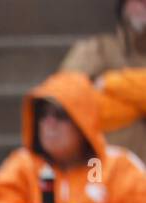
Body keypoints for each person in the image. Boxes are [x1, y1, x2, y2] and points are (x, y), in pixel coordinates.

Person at [0, 71, 146, 203]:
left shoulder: (118, 166)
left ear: (84, 123)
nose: (50, 123)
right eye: (43, 114)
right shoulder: (22, 166)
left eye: (61, 115)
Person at [61, 0, 146, 160]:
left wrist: (111, 85)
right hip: (105, 172)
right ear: (123, 6)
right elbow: (66, 97)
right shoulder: (97, 49)